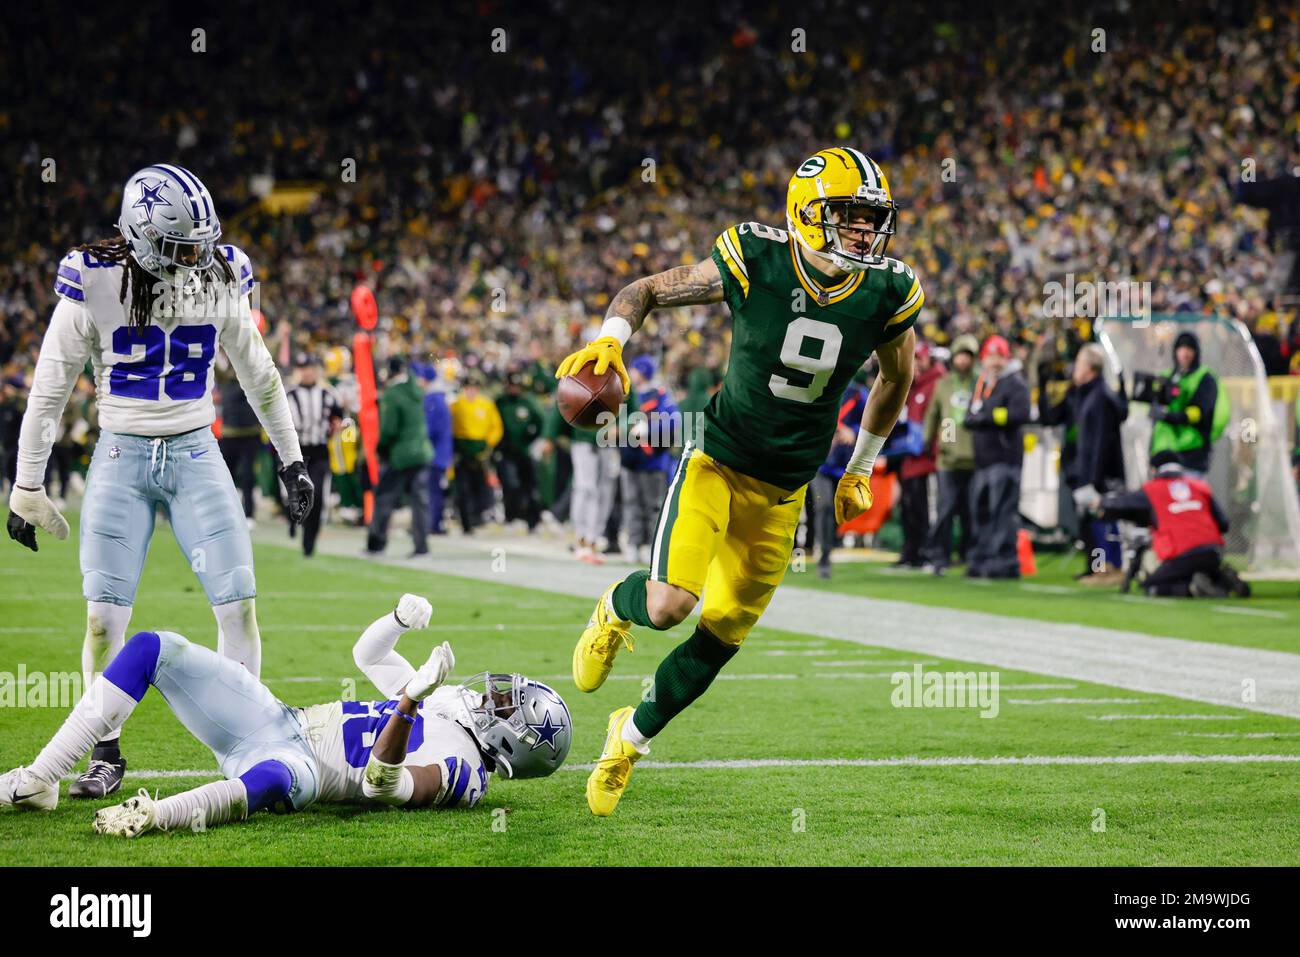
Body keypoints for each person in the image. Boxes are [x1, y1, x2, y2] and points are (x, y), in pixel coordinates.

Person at [556, 148, 921, 815]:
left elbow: (897, 377)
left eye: (871, 220)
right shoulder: (754, 256)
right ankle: (615, 608)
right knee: (670, 605)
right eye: (848, 217)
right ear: (807, 216)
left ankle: (627, 741)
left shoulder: (887, 290)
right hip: (717, 461)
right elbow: (644, 291)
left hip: (784, 494)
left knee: (720, 639)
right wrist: (610, 337)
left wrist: (861, 464)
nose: (864, 234)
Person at [5, 164, 312, 800]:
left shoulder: (223, 273)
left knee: (240, 607)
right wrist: (27, 484)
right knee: (100, 622)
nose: (197, 259)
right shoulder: (94, 277)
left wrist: (292, 458)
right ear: (141, 237)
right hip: (121, 456)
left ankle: (246, 742)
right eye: (182, 248)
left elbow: (259, 373)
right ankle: (105, 751)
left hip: (198, 451)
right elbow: (50, 388)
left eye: (202, 244)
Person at [0, 594, 572, 834]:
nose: (494, 695)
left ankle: (157, 815)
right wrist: (398, 619)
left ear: (513, 741)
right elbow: (367, 655)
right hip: (279, 718)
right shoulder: (449, 704)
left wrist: (409, 701)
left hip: (302, 769)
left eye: (507, 704)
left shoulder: (465, 774)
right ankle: (38, 781)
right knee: (154, 646)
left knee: (277, 777)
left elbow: (381, 786)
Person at [1098, 452, 1249, 598]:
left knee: (1152, 586)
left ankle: (1192, 588)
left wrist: (1099, 503)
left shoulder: (1152, 489)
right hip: (1213, 552)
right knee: (1198, 568)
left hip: (1182, 554)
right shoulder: (1198, 486)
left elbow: (1122, 504)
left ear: (1154, 469)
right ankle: (1222, 580)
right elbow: (1223, 524)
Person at [1037, 342, 1128, 576]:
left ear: (1089, 368)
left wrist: (1094, 478)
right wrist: (1043, 383)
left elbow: (1100, 442)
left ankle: (1110, 569)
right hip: (1080, 469)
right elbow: (1049, 418)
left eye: (1078, 363)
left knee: (1102, 520)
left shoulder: (1101, 396)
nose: (1074, 368)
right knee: (1087, 522)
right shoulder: (1077, 394)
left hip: (1098, 473)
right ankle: (1095, 568)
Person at [963, 334, 1030, 578]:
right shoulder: (982, 383)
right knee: (981, 511)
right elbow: (971, 414)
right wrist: (978, 419)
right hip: (983, 459)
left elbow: (1020, 414)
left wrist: (988, 418)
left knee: (1002, 513)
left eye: (998, 356)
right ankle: (982, 559)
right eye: (990, 356)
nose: (994, 362)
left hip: (1005, 458)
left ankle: (1004, 562)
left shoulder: (1015, 383)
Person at [921, 334, 978, 574]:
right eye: (960, 354)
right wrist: (926, 441)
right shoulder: (943, 384)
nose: (964, 360)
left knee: (971, 512)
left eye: (968, 355)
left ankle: (969, 556)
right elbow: (933, 415)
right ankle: (939, 557)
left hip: (975, 458)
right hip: (948, 457)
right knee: (946, 510)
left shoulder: (981, 382)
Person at [366, 356, 433, 556]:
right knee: (419, 502)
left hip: (400, 455)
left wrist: (381, 448)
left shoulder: (393, 394)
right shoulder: (417, 390)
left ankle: (376, 544)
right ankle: (422, 546)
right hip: (421, 452)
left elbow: (389, 429)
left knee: (385, 498)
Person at [618, 354, 679, 564]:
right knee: (631, 503)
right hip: (630, 458)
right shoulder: (626, 393)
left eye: (634, 369)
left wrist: (649, 429)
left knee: (653, 506)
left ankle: (652, 547)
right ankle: (634, 543)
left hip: (652, 460)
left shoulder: (659, 394)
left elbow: (674, 423)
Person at [284, 352, 342, 556]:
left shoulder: (329, 393)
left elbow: (342, 419)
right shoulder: (288, 394)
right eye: (303, 368)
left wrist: (340, 427)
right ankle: (293, 518)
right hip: (295, 452)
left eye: (310, 368)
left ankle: (309, 543)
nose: (307, 372)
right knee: (295, 495)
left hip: (319, 451)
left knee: (316, 496)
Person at [810, 376, 869, 578]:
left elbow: (873, 421)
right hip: (821, 461)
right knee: (824, 504)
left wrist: (853, 432)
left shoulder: (859, 394)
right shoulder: (821, 388)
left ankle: (829, 544)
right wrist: (834, 429)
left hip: (846, 464)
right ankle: (824, 557)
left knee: (840, 510)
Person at [1148, 330, 1228, 476]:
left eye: (1189, 349)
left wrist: (1169, 416)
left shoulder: (1205, 378)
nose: (1185, 353)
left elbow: (1198, 412)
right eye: (1181, 348)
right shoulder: (1167, 377)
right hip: (1163, 455)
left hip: (1191, 454)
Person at [895, 339, 943, 567]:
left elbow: (945, 420)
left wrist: (938, 447)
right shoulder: (910, 384)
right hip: (909, 456)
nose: (915, 363)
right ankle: (911, 551)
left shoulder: (937, 383)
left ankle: (927, 551)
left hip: (929, 457)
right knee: (908, 506)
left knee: (925, 507)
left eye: (919, 358)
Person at [449, 370, 503, 535]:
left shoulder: (486, 404)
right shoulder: (456, 405)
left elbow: (496, 427)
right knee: (463, 488)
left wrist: (488, 445)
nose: (471, 390)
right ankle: (466, 521)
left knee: (481, 486)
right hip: (462, 449)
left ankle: (478, 518)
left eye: (474, 387)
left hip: (480, 450)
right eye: (468, 387)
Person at [495, 368, 544, 531]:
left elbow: (540, 423)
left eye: (517, 385)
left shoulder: (528, 402)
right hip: (506, 452)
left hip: (525, 451)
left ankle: (533, 522)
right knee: (510, 486)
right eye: (512, 385)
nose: (515, 388)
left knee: (530, 487)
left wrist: (531, 439)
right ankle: (511, 518)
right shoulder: (499, 403)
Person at [421, 369, 454, 534]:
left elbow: (431, 430)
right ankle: (433, 523)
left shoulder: (434, 400)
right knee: (433, 490)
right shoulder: (437, 398)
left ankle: (433, 524)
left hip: (435, 454)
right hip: (439, 453)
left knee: (432, 490)